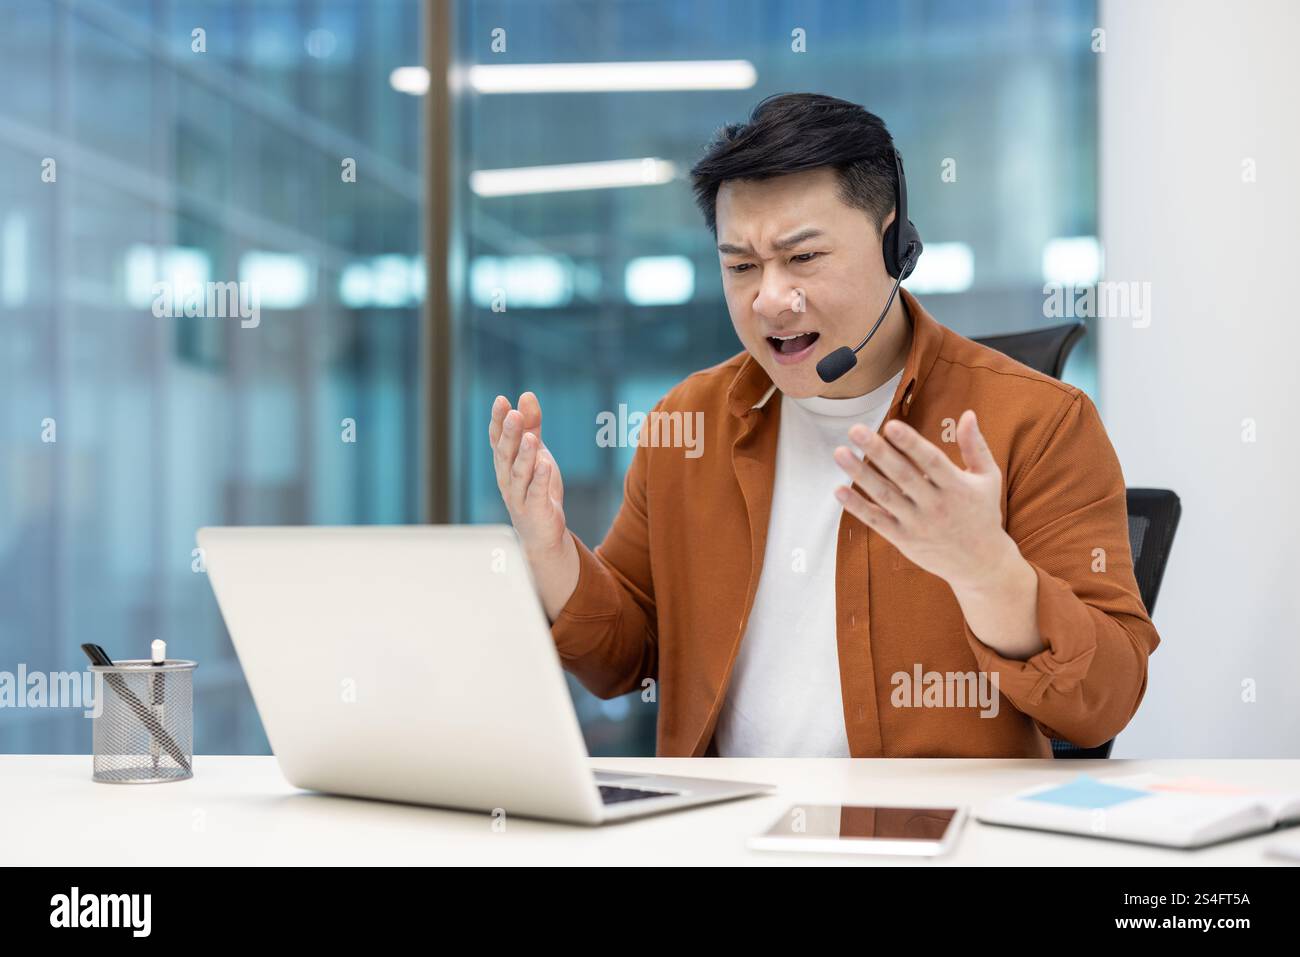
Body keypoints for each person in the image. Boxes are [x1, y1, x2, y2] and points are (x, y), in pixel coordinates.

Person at [487, 93, 1158, 758]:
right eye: (741, 266)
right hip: (724, 835)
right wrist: (552, 553)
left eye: (803, 258)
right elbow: (620, 659)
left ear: (896, 242)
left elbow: (1103, 702)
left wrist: (990, 572)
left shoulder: (1039, 422)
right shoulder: (687, 425)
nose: (772, 299)